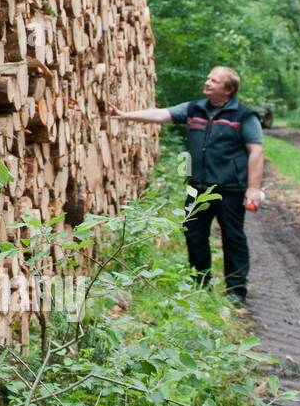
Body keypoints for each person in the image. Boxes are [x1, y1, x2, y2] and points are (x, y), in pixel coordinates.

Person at [111, 66, 265, 303]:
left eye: (214, 81)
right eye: (208, 78)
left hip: (230, 189)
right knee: (194, 235)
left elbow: (256, 151)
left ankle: (236, 291)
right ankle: (201, 284)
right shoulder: (195, 109)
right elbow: (161, 114)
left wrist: (253, 189)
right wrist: (125, 115)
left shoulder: (244, 115)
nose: (208, 82)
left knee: (233, 238)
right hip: (198, 187)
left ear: (228, 89)